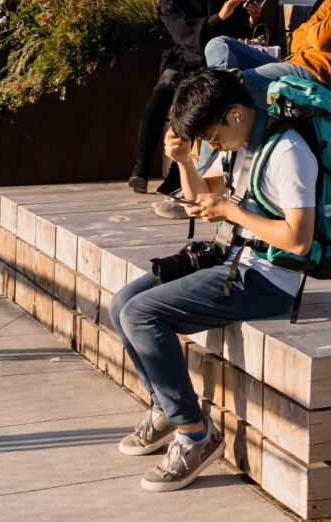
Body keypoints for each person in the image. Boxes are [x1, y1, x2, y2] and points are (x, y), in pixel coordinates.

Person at [111, 67, 318, 493]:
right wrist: (184, 162)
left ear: (236, 114)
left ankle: (195, 433)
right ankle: (169, 407)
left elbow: (299, 241)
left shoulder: (289, 153)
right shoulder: (243, 144)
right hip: (232, 260)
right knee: (122, 305)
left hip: (267, 280)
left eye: (212, 136)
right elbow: (197, 197)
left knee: (142, 315)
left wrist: (234, 213)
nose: (212, 145)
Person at [130, 0, 263, 216]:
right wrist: (218, 17)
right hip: (184, 56)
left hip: (212, 63)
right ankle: (141, 167)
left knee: (198, 96)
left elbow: (237, 35)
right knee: (164, 89)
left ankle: (180, 177)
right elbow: (185, 35)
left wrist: (252, 20)